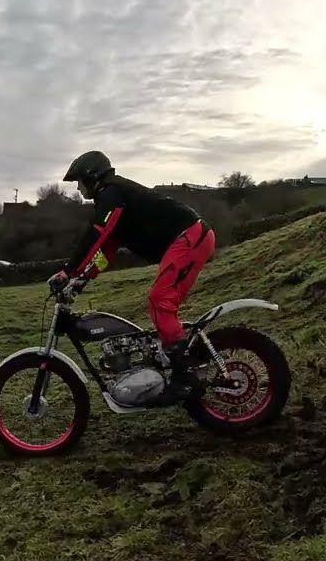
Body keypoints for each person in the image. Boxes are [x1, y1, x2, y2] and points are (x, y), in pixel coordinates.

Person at [50, 150, 216, 402]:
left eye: (78, 182)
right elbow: (105, 251)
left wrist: (68, 271)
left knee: (160, 300)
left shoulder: (112, 193)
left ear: (91, 176)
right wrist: (80, 280)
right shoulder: (114, 196)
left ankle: (185, 378)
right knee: (160, 302)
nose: (78, 189)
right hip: (187, 238)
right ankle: (176, 359)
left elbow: (97, 235)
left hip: (190, 237)